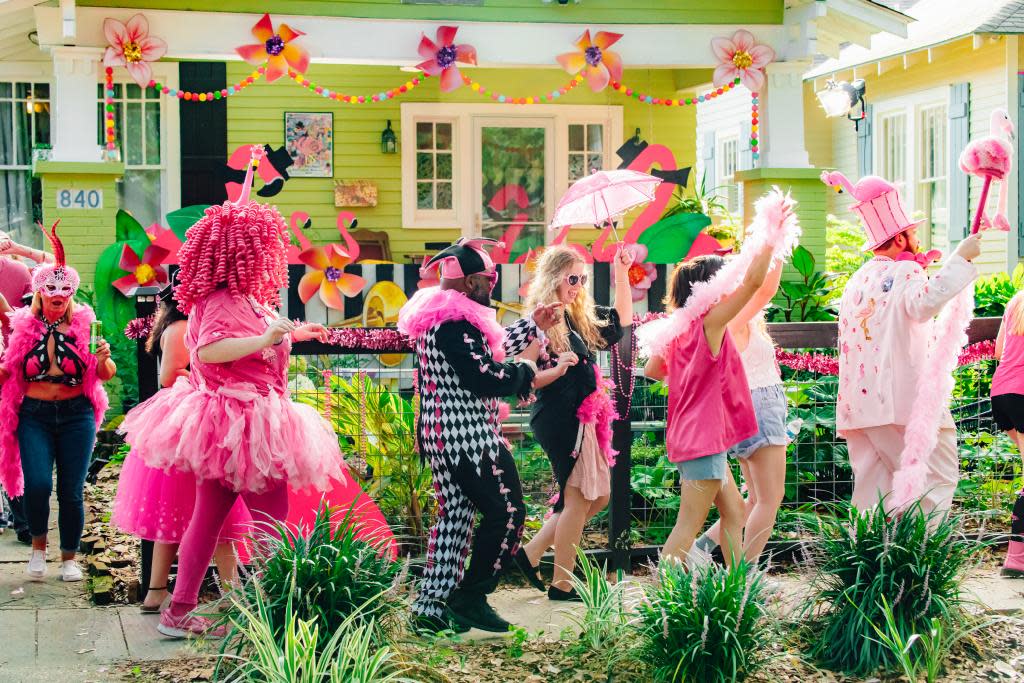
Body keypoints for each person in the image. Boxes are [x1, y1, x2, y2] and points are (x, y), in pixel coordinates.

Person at [119, 146, 346, 638]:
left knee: (214, 518)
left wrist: (292, 334)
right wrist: (266, 338)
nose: (273, 256)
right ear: (242, 251)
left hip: (242, 421)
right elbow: (211, 352)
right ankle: (277, 610)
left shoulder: (244, 300)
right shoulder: (223, 300)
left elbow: (253, 340)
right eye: (265, 248)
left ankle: (181, 611)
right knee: (273, 519)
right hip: (239, 422)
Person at [397, 237, 559, 634]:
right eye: (488, 277)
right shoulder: (454, 324)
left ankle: (431, 608)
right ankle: (471, 596)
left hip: (445, 435)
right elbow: (484, 375)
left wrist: (533, 323)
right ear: (470, 284)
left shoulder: (446, 318)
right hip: (465, 436)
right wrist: (526, 369)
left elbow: (489, 351)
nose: (493, 283)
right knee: (507, 513)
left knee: (455, 518)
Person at [638, 189, 799, 567]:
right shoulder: (710, 325)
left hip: (697, 434)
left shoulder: (681, 332)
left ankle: (734, 586)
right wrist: (770, 233)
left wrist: (696, 376)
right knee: (687, 527)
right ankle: (666, 598)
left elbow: (652, 371)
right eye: (722, 281)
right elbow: (753, 284)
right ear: (711, 290)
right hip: (704, 439)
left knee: (736, 513)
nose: (730, 286)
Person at [828, 172, 981, 516]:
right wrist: (959, 259)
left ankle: (869, 562)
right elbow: (922, 303)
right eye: (912, 233)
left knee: (872, 493)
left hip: (859, 406)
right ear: (899, 240)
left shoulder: (857, 280)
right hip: (904, 403)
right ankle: (923, 559)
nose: (917, 239)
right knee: (934, 480)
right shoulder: (904, 271)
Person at [111, 277, 246, 612]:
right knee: (208, 512)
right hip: (189, 425)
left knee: (178, 513)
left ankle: (160, 590)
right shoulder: (182, 327)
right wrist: (207, 376)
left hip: (190, 420)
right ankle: (230, 592)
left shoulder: (181, 325)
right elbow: (169, 377)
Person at [516, 244, 633, 600]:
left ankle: (531, 552)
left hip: (583, 417)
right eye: (572, 278)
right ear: (553, 277)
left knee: (597, 498)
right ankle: (562, 584)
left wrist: (623, 274)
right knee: (578, 499)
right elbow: (526, 375)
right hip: (559, 417)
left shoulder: (573, 316)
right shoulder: (540, 320)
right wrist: (558, 367)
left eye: (582, 278)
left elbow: (619, 325)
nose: (578, 284)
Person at [0, 220, 115, 582]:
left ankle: (69, 558)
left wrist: (104, 358)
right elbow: (9, 370)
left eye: (63, 289)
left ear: (70, 294)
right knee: (36, 484)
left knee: (71, 488)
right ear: (39, 292)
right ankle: (37, 548)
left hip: (76, 413)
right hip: (33, 413)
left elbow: (105, 374)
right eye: (50, 288)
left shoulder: (86, 324)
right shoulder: (22, 325)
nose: (57, 294)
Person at [697, 261, 791, 564]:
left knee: (753, 498)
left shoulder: (727, 319)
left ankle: (700, 549)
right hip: (759, 405)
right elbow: (766, 290)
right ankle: (744, 576)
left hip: (749, 406)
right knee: (769, 499)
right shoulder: (729, 318)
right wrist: (776, 246)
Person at [0, 229, 50, 544]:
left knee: (12, 446)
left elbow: (27, 322)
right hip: (15, 367)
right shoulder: (17, 270)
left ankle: (23, 519)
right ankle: (23, 520)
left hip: (12, 369)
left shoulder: (17, 272)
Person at [987, 291, 1024, 577]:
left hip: (1002, 390)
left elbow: (999, 351)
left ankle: (1017, 558)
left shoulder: (1016, 300)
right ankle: (1017, 559)